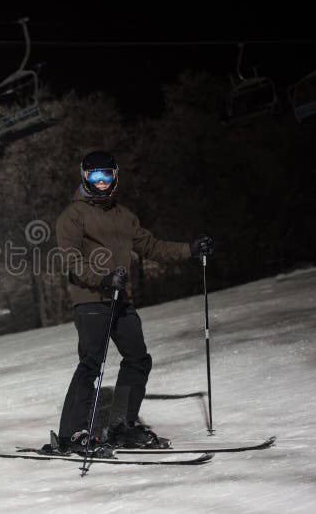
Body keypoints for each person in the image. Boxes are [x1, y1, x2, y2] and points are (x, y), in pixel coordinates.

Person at [54, 150, 213, 453]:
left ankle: (121, 426)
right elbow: (71, 259)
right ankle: (72, 434)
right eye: (94, 177)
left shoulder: (124, 216)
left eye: (106, 177)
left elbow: (152, 247)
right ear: (84, 178)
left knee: (138, 359)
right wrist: (101, 277)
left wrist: (190, 249)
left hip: (120, 299)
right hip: (91, 300)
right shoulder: (72, 216)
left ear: (115, 178)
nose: (101, 183)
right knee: (91, 363)